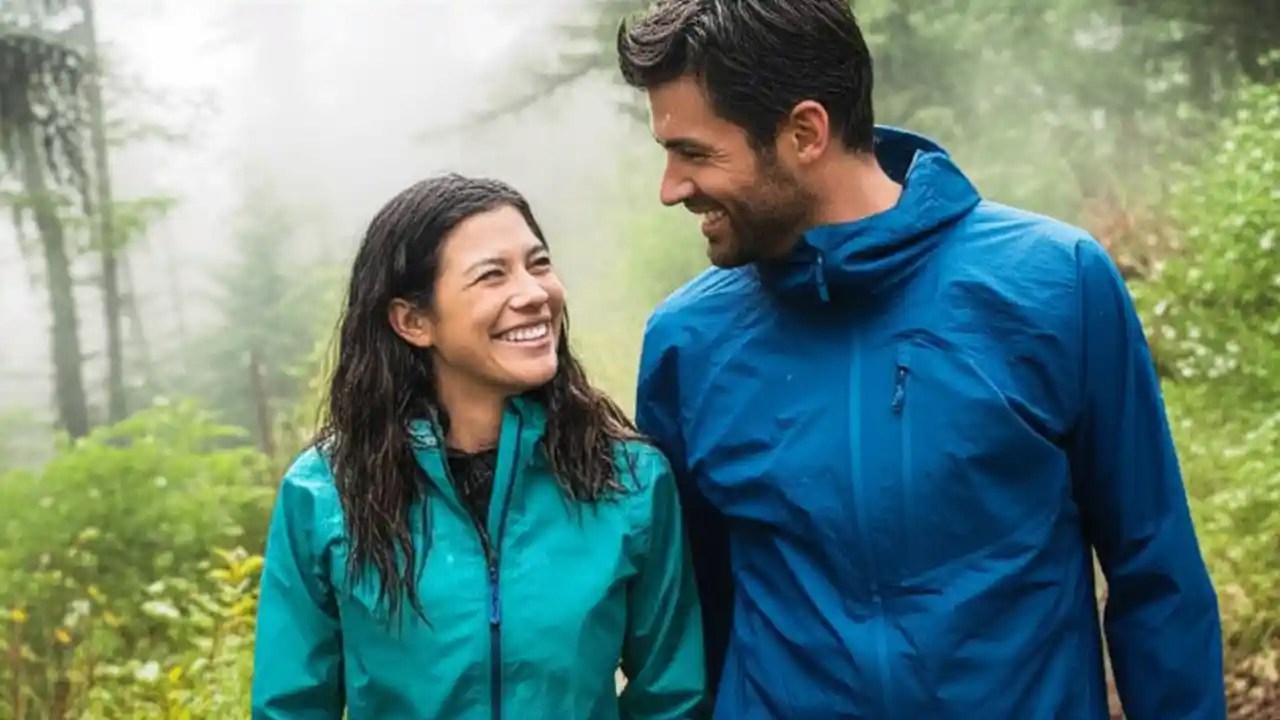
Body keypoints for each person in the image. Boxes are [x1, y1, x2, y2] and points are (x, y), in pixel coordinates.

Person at [616, 1, 1225, 718]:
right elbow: (697, 624)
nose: (671, 188)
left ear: (804, 132)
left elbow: (1156, 577)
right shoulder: (688, 343)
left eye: (694, 153)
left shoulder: (1055, 284)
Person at [250, 174, 706, 719]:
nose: (536, 294)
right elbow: (291, 708)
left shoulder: (627, 479)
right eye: (493, 275)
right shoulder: (326, 495)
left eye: (539, 264)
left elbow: (672, 697)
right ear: (413, 321)